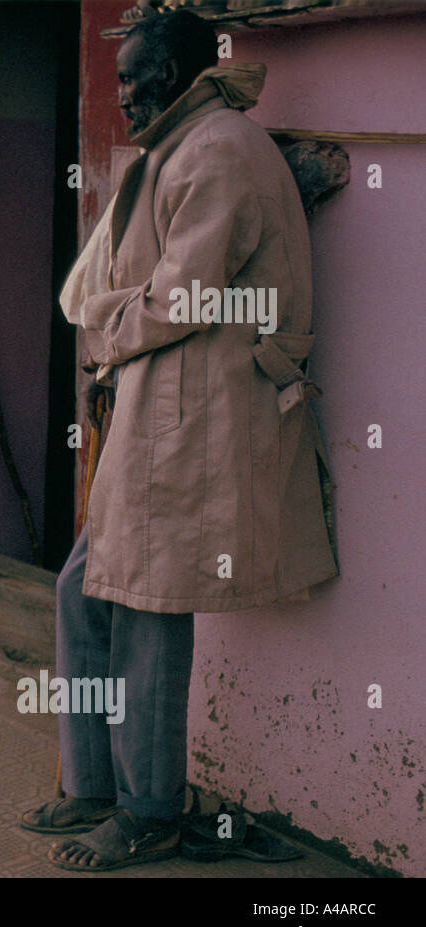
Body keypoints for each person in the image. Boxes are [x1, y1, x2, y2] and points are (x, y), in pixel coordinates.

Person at [23, 10, 337, 871]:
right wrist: (114, 343)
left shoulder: (220, 150)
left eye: (140, 74)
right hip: (158, 411)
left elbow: (182, 297)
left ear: (188, 70)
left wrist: (100, 324)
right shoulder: (184, 144)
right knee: (85, 591)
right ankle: (93, 784)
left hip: (195, 420)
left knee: (151, 607)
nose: (127, 92)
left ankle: (150, 811)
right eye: (120, 77)